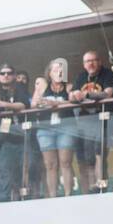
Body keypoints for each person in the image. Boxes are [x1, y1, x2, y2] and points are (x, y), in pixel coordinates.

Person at [70, 50, 113, 195]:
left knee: (100, 152)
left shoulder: (107, 74)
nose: (90, 64)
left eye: (93, 60)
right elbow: (72, 95)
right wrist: (75, 95)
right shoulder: (81, 76)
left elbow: (108, 93)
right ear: (84, 64)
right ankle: (93, 187)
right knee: (89, 155)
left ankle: (101, 184)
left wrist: (86, 94)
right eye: (87, 61)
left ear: (100, 61)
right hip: (87, 120)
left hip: (104, 118)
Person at [33, 57, 76, 197]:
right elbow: (33, 104)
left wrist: (54, 104)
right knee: (50, 165)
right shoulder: (43, 87)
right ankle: (53, 196)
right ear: (49, 73)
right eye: (55, 69)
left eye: (61, 70)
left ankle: (68, 195)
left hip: (66, 127)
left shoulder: (69, 87)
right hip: (46, 128)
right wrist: (40, 101)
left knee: (66, 162)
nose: (58, 72)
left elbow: (73, 102)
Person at [0, 63, 30, 202]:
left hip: (20, 136)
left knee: (22, 172)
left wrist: (2, 104)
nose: (5, 75)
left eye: (8, 73)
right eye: (2, 73)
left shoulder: (19, 87)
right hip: (2, 139)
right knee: (5, 173)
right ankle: (3, 201)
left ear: (13, 75)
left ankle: (21, 200)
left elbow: (23, 105)